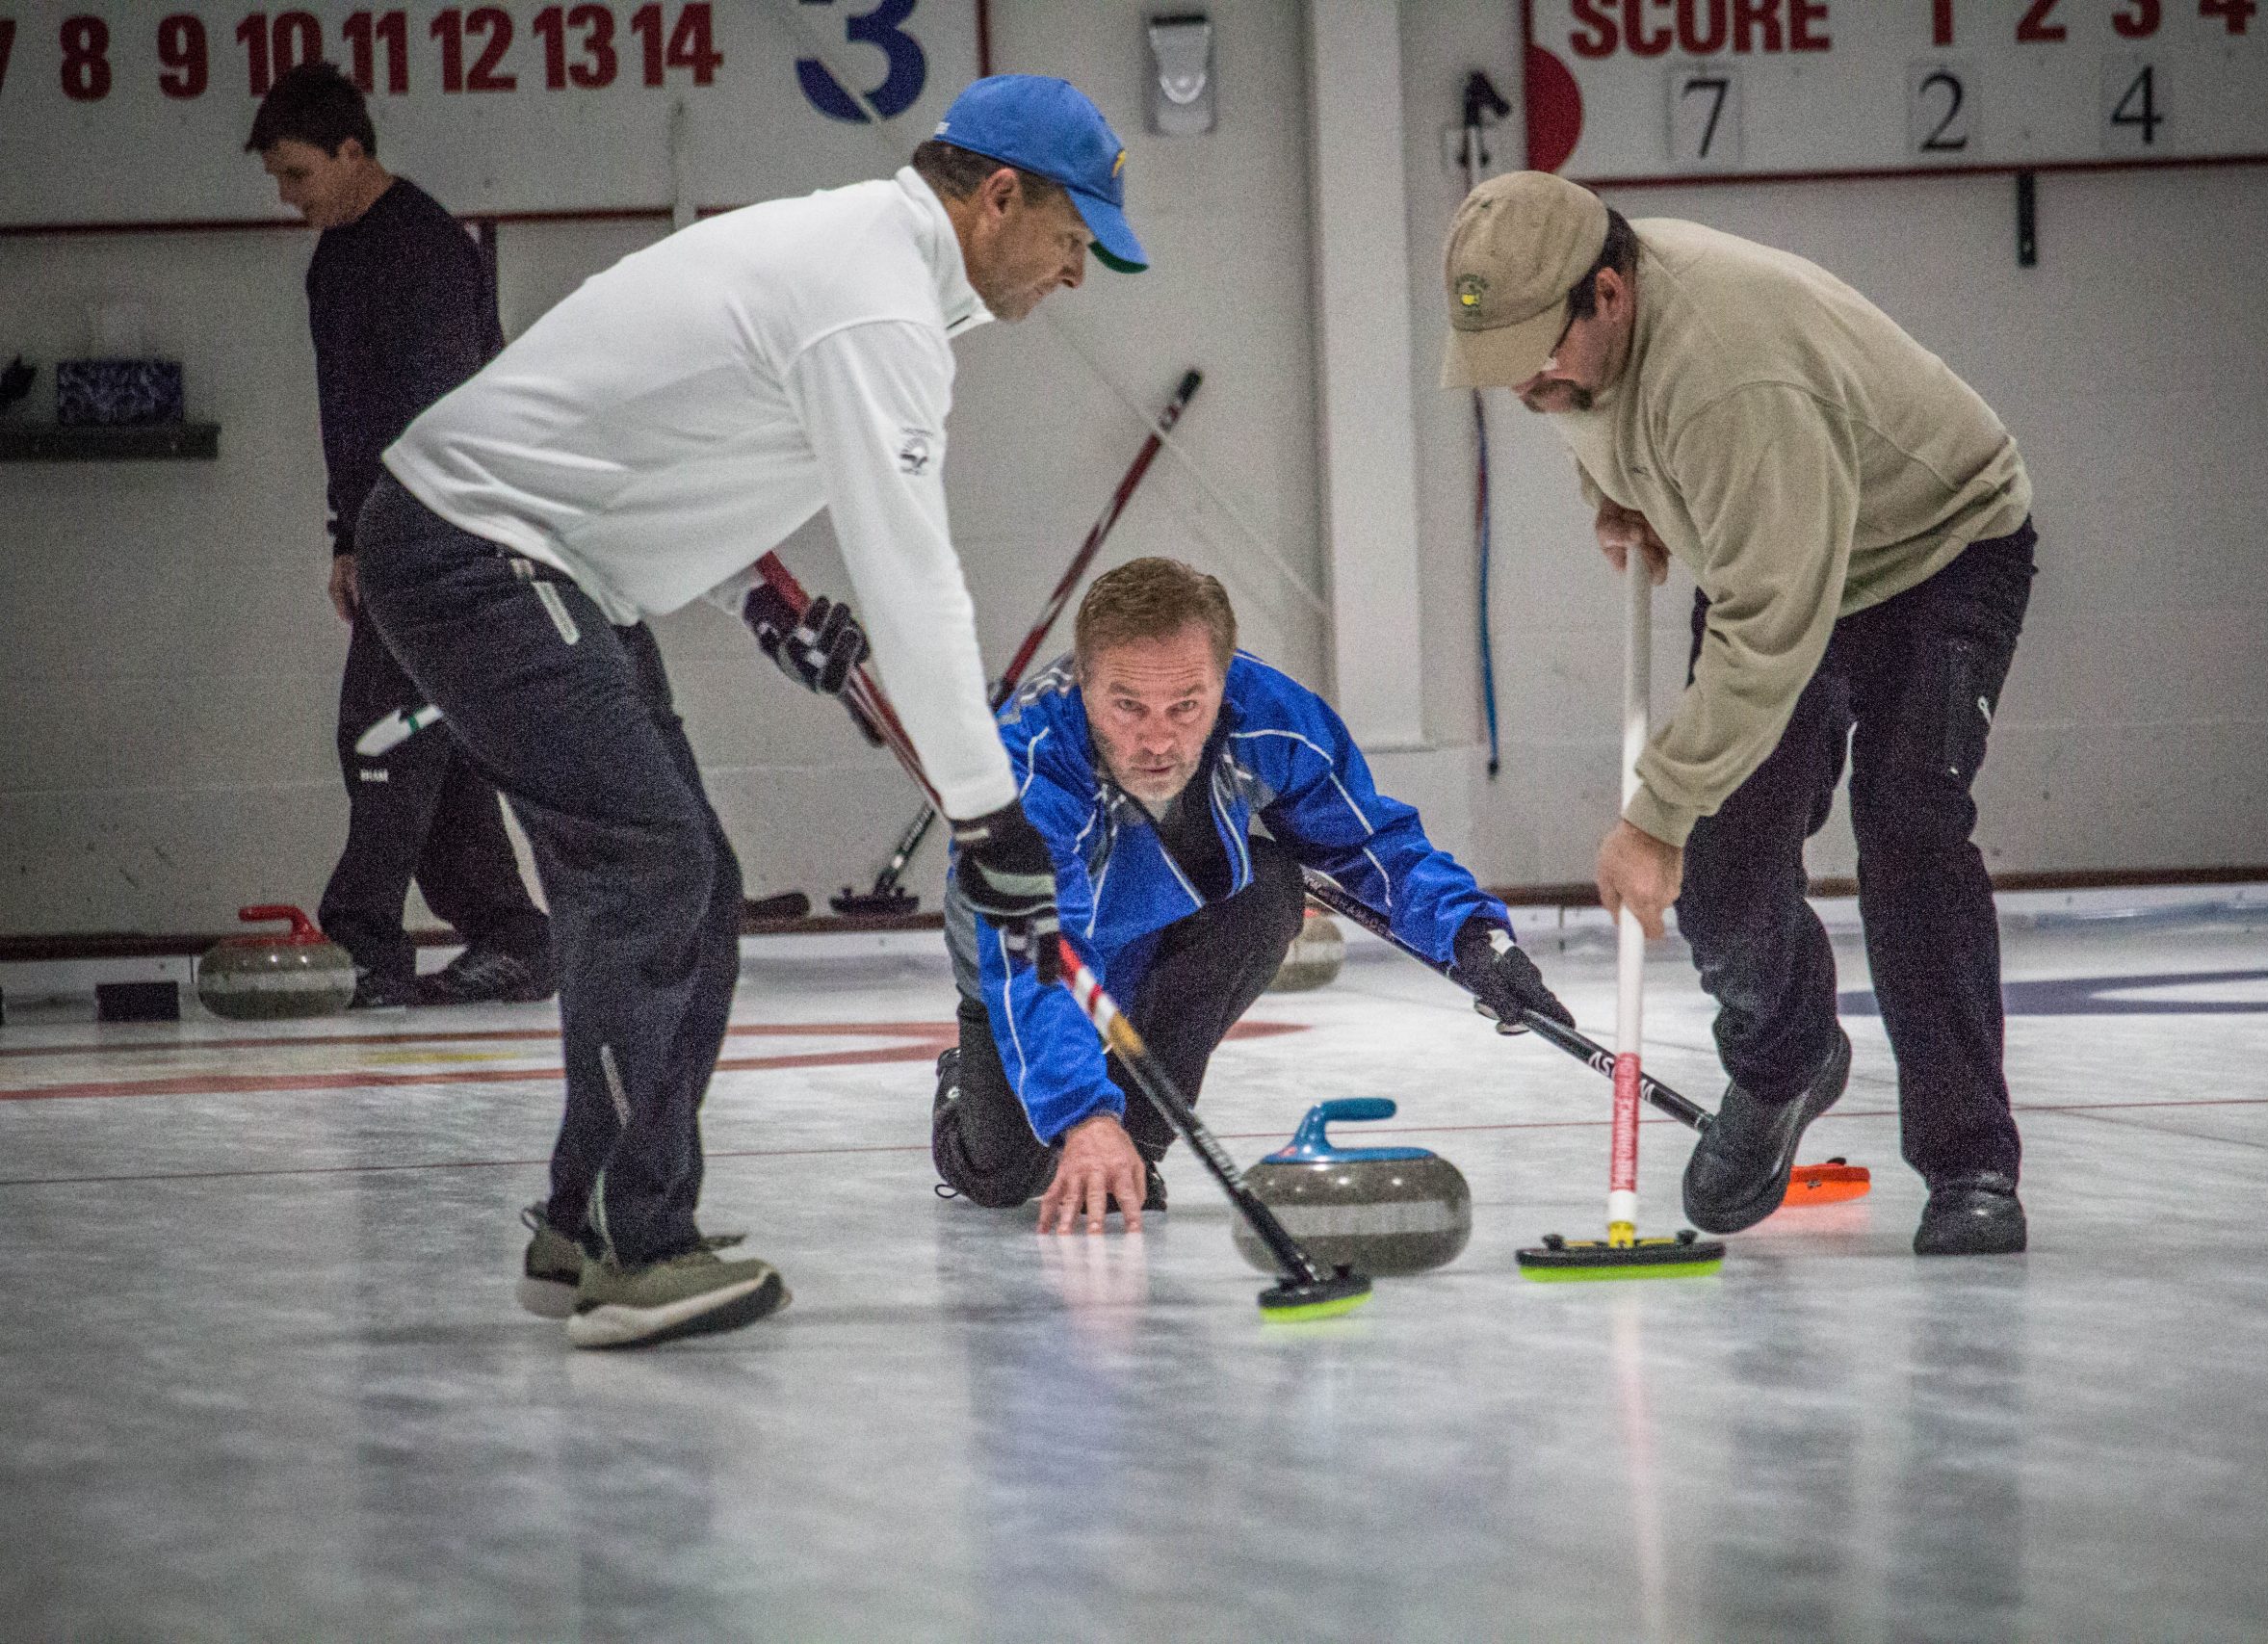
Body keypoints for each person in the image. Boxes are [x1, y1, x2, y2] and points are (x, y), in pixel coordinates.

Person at [352, 74, 1147, 1345]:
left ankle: (584, 1227)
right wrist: (991, 819)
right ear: (1000, 198)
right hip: (479, 546)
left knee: (692, 875)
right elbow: (912, 572)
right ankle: (631, 1245)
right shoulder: (873, 300)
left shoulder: (863, 277)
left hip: (544, 560)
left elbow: (668, 445)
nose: (1080, 272)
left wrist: (759, 601)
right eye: (1075, 236)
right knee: (654, 861)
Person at [1442, 172, 2037, 1256]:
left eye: (1537, 349)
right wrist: (1620, 497)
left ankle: (1969, 1164)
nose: (1525, 381)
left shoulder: (1730, 374)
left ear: (1609, 295)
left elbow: (1772, 620)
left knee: (1907, 828)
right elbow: (1601, 420)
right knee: (1726, 877)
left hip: (1936, 548)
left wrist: (1652, 813)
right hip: (1775, 546)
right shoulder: (1575, 356)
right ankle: (1787, 1058)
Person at [930, 557, 1573, 1232]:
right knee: (1003, 1176)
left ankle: (1142, 1144)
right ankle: (962, 1081)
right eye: (1127, 705)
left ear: (1224, 680)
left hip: (1168, 915)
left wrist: (1475, 937)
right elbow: (1034, 954)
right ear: (1084, 683)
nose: (1156, 739)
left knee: (1270, 891)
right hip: (1025, 948)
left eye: (1186, 705)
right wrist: (1083, 1114)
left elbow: (1371, 842)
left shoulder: (1271, 716)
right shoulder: (1030, 759)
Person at [247, 64, 553, 1009]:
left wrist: (398, 542)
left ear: (351, 152)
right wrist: (347, 539)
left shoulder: (419, 249)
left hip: (443, 534)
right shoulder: (335, 260)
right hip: (387, 536)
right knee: (429, 742)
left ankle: (364, 945)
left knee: (381, 734)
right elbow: (347, 416)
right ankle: (512, 938)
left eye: (298, 175)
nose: (289, 198)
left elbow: (436, 412)